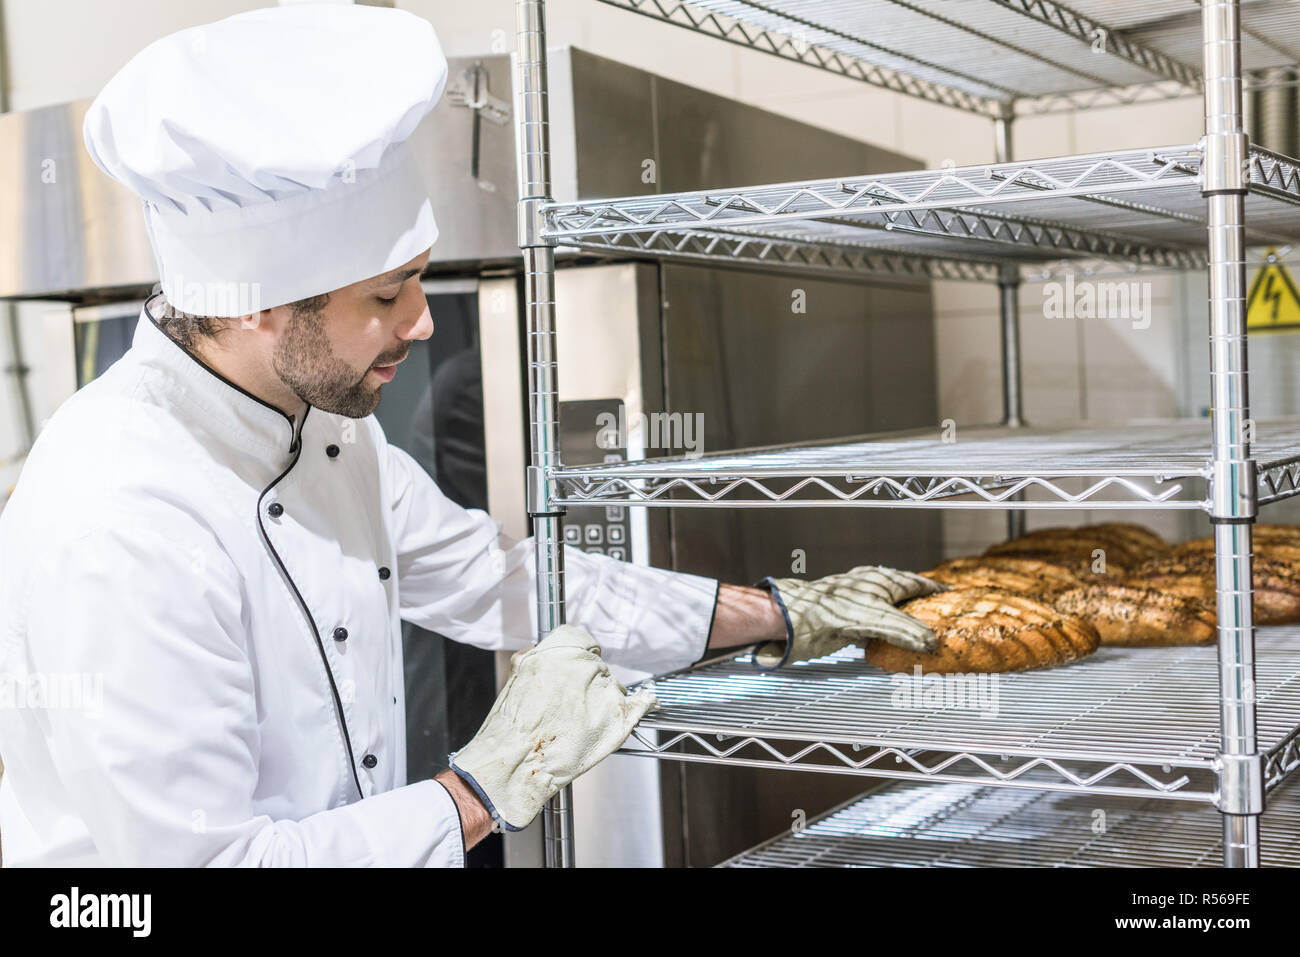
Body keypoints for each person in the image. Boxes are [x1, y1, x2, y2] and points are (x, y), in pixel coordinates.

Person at [0, 6, 939, 867]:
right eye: (386, 294)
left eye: (420, 280)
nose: (423, 322)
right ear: (259, 308)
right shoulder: (120, 521)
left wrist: (779, 611)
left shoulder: (324, 431)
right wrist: (485, 788)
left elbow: (499, 576)